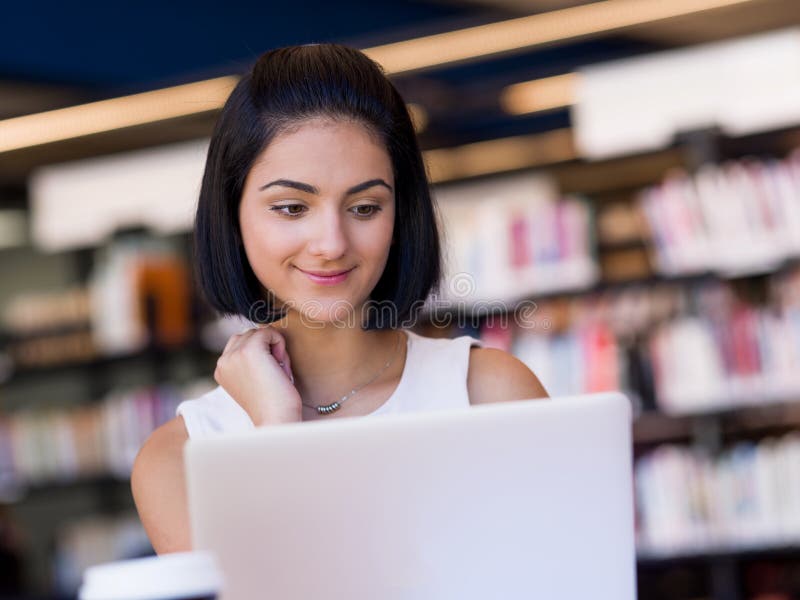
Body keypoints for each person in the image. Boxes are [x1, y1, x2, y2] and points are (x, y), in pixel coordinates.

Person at [131, 43, 549, 554]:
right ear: (232, 214)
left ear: (401, 218)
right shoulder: (179, 459)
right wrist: (275, 429)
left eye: (365, 207)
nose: (331, 244)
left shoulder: (490, 395)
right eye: (291, 208)